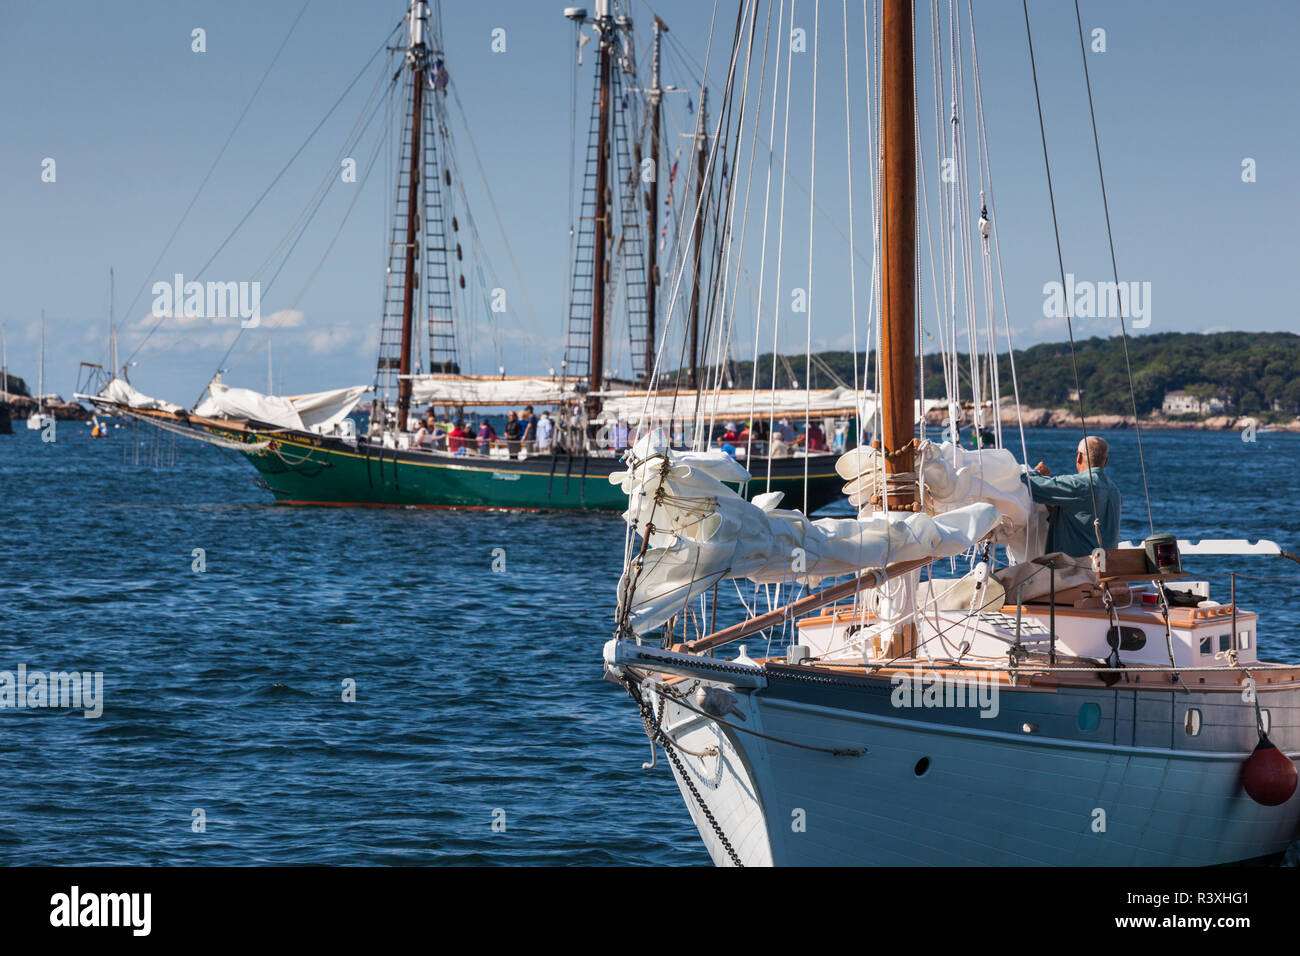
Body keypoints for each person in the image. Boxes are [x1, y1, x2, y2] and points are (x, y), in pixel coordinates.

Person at [1023, 435, 1122, 558]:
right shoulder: (1114, 491)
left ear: (1079, 457)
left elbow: (1027, 484)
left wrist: (1037, 472)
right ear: (1106, 461)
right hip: (1103, 568)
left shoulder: (1078, 485)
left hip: (1075, 569)